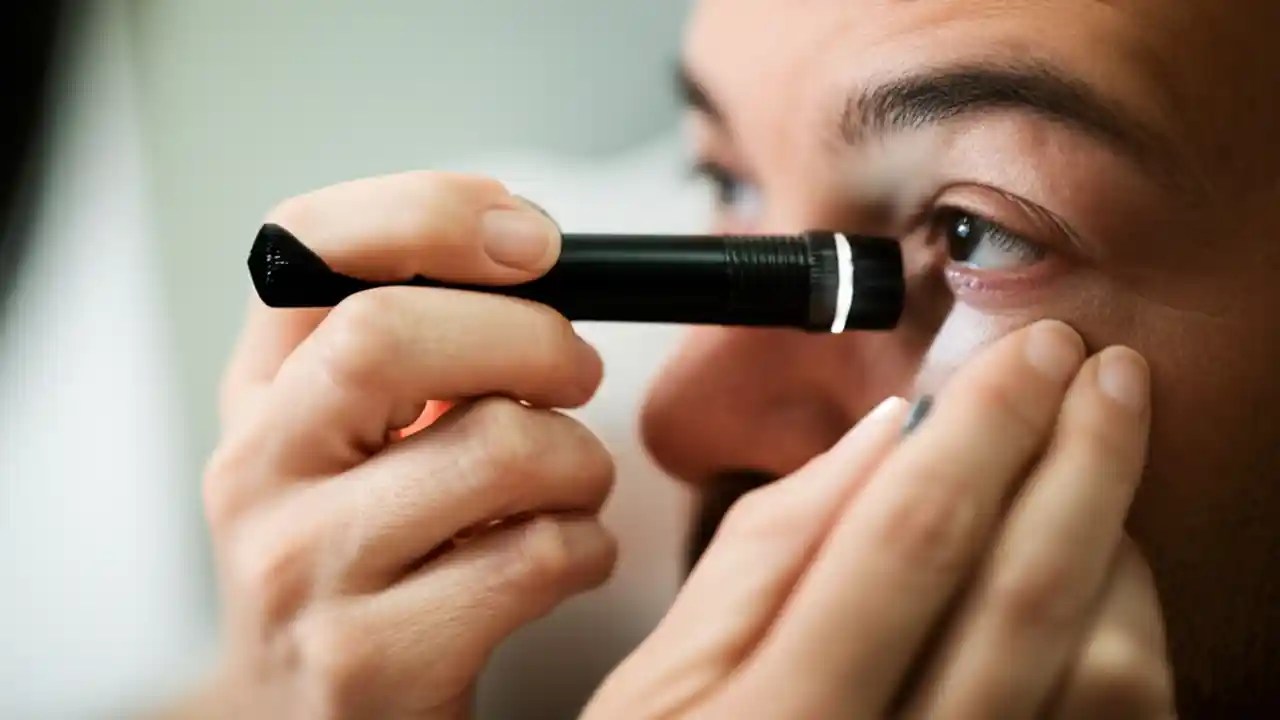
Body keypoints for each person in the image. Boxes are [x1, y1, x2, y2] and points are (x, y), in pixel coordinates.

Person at [188, 1, 1280, 717]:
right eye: (726, 178)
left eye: (969, 234)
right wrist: (265, 695)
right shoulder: (503, 555)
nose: (680, 418)